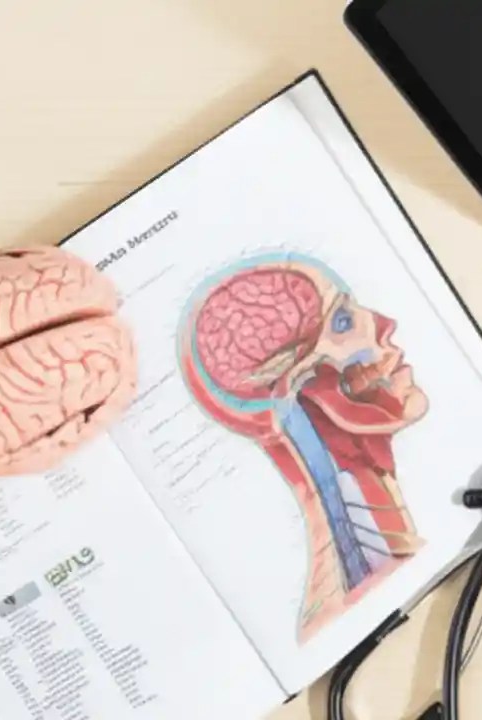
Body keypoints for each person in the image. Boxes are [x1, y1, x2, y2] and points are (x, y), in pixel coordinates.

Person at [178, 256, 428, 641]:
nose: (383, 324)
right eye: (343, 322)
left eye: (349, 310)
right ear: (303, 386)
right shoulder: (335, 621)